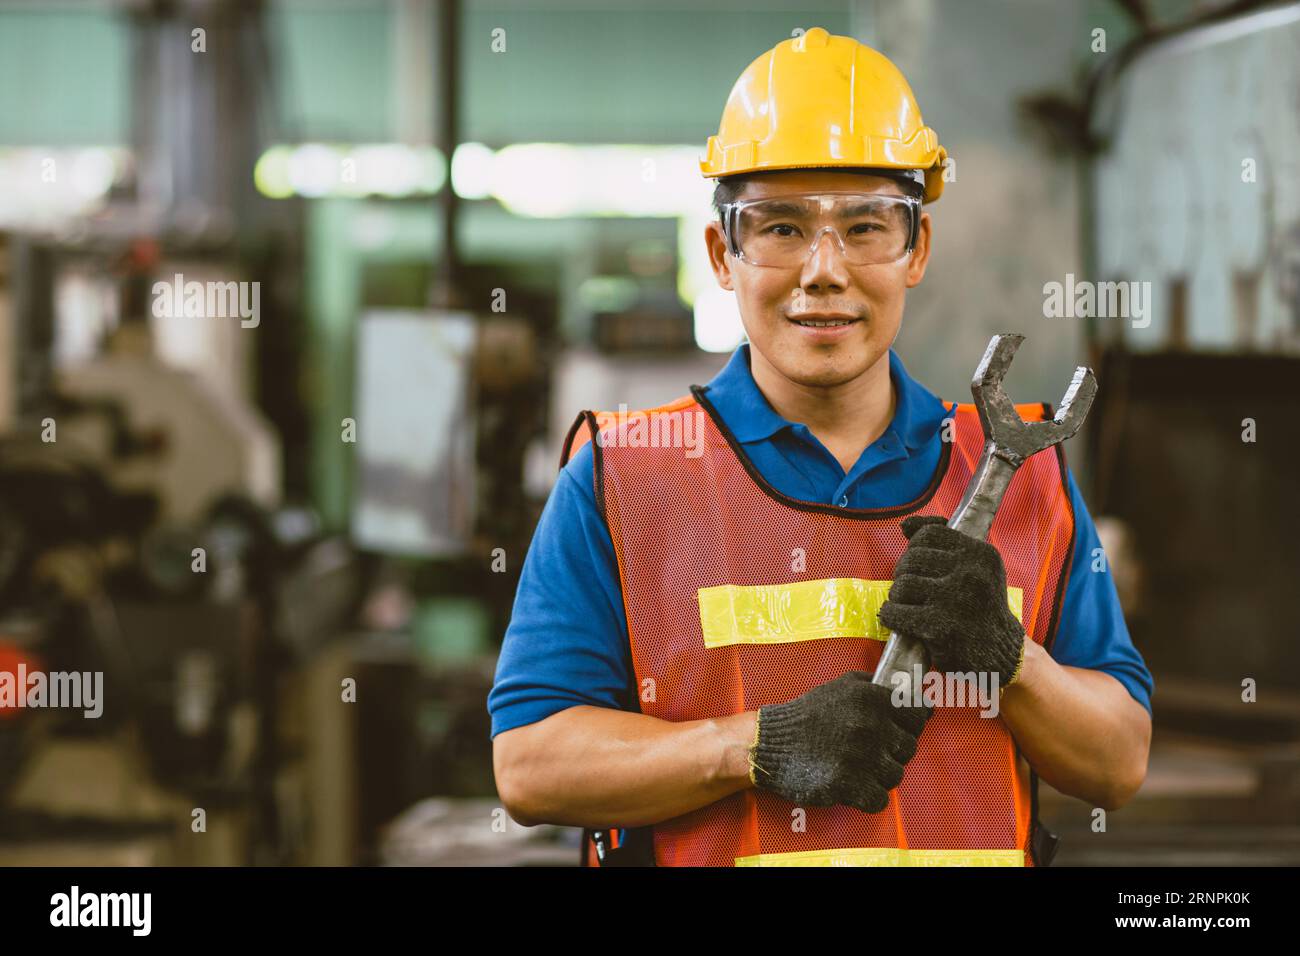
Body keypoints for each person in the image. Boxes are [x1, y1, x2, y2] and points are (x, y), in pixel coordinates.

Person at [489, 27, 1152, 867]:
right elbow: (530, 765)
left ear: (917, 249)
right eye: (781, 228)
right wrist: (748, 747)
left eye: (867, 226)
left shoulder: (1023, 477)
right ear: (722, 254)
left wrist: (1009, 656)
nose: (824, 270)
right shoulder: (624, 480)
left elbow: (1119, 762)